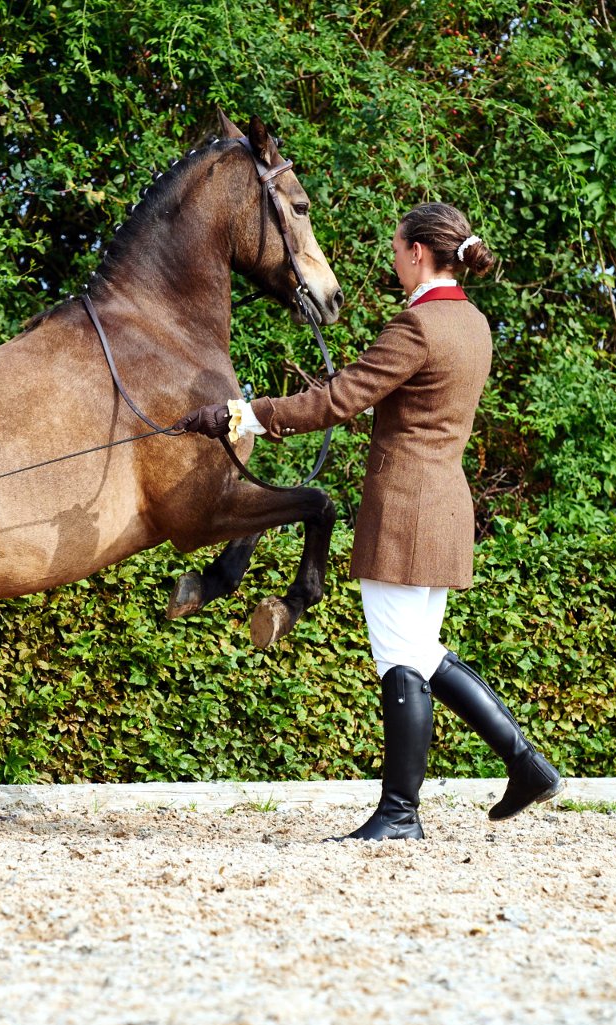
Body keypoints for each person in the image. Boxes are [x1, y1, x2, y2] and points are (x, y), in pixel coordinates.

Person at [176, 202, 563, 841]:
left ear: (417, 253)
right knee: (422, 651)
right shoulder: (473, 323)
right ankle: (525, 766)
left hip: (406, 511)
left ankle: (401, 813)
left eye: (395, 247)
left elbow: (336, 400)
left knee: (399, 658)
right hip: (443, 506)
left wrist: (241, 416)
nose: (392, 257)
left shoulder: (418, 328)